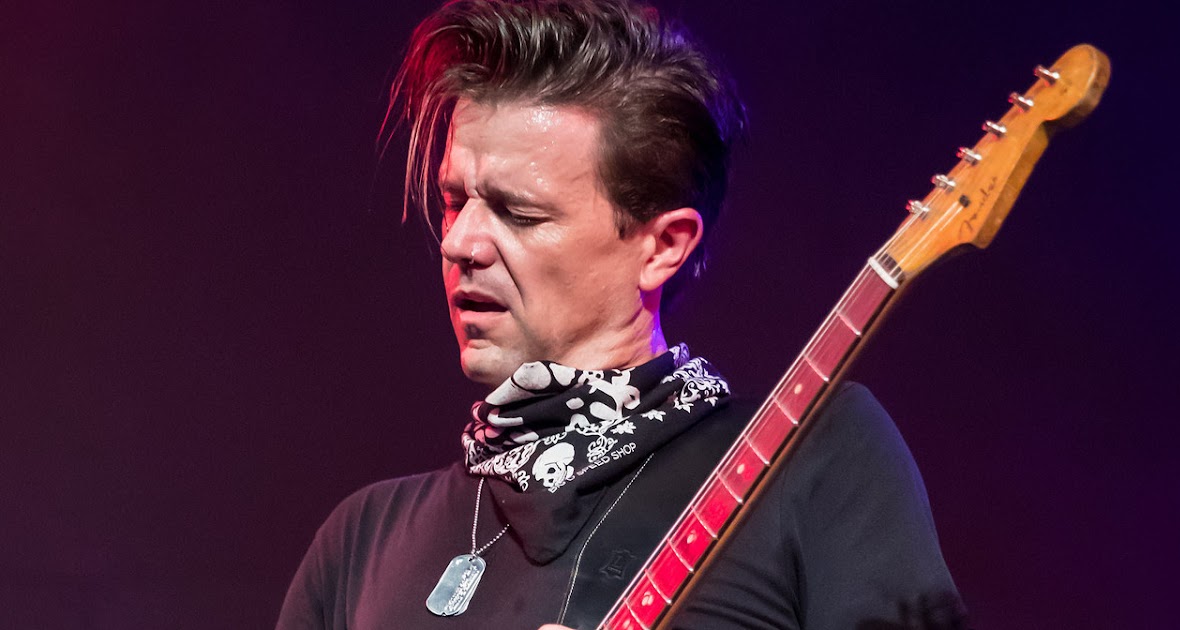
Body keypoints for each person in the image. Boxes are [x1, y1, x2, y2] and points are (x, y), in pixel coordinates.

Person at [276, 1, 966, 628]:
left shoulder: (808, 457)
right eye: (456, 201)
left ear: (663, 247)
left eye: (519, 212)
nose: (459, 243)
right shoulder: (361, 540)